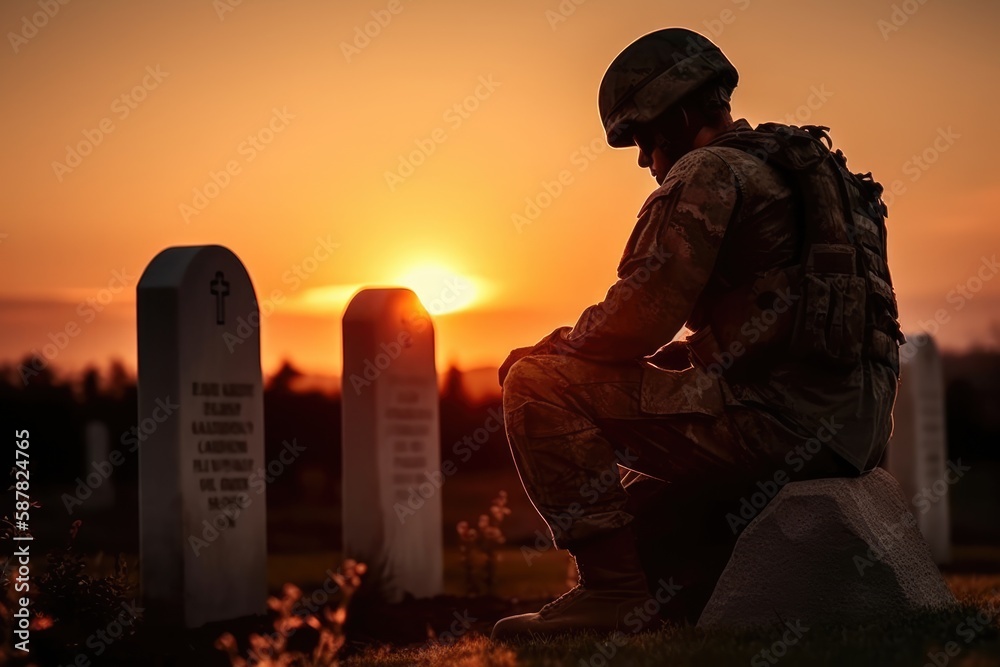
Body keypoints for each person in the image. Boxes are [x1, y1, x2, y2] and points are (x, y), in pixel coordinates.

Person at [490, 27, 905, 639]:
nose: (641, 158)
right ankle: (662, 592)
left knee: (536, 385)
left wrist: (556, 348)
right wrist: (687, 356)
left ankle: (611, 593)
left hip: (780, 425)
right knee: (634, 490)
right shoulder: (812, 174)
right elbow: (784, 328)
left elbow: (641, 315)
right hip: (854, 430)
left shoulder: (707, 173)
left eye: (640, 136)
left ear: (678, 114)